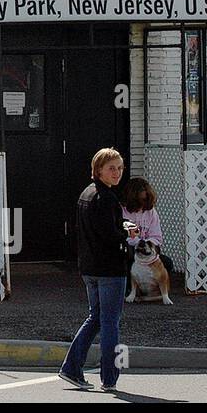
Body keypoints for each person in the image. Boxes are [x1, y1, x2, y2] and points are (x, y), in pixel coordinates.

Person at [59, 147, 136, 393]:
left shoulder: (87, 193)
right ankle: (110, 377)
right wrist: (127, 232)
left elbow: (98, 227)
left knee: (95, 318)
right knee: (110, 322)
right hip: (110, 269)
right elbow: (109, 235)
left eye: (120, 168)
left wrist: (121, 225)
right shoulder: (107, 198)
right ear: (98, 169)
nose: (117, 173)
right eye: (111, 168)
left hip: (89, 267)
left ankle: (71, 368)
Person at [121, 177, 177, 277]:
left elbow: (157, 237)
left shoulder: (150, 211)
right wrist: (139, 243)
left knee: (167, 263)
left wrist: (147, 245)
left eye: (145, 201)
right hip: (130, 252)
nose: (142, 206)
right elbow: (124, 236)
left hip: (148, 252)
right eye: (140, 202)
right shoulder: (121, 211)